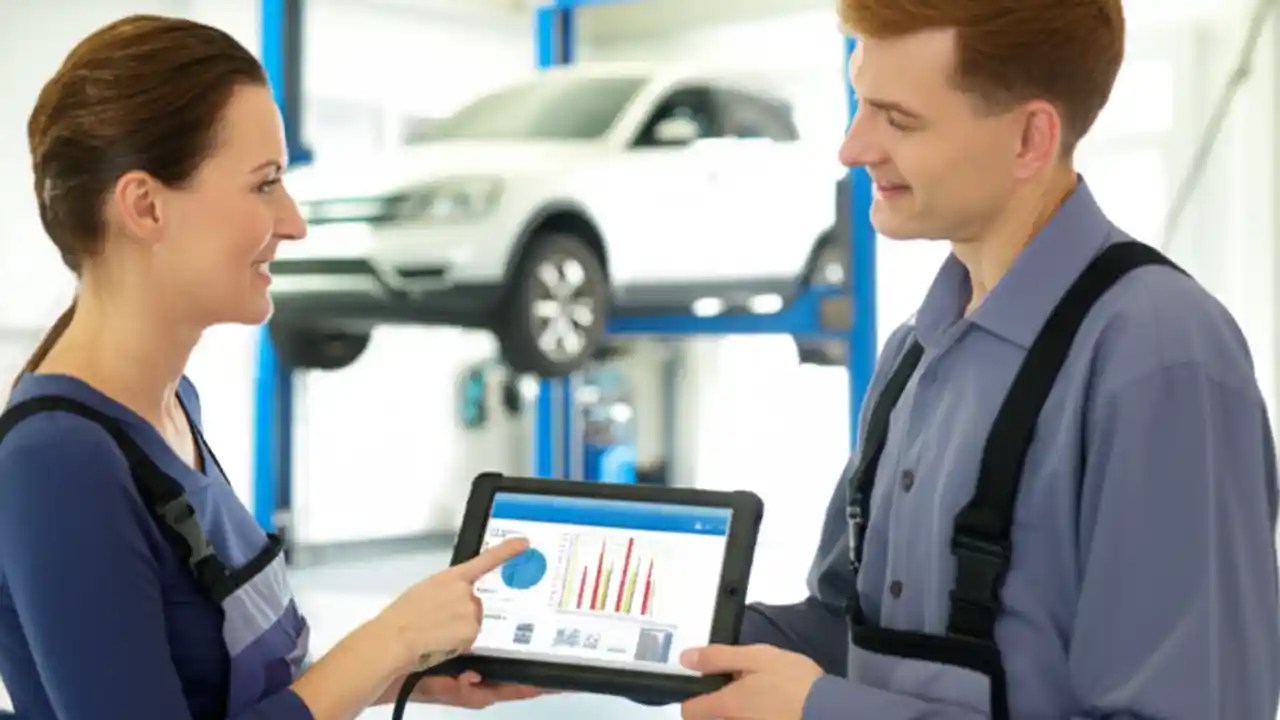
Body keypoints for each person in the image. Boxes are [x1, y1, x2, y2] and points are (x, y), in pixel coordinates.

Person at [677, 1, 1280, 719]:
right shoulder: (915, 352)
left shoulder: (1158, 357)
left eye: (898, 119)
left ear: (1030, 138)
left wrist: (821, 713)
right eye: (860, 102)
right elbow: (844, 637)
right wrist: (611, 642)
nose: (853, 147)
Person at [0, 15, 544, 720]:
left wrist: (404, 671)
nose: (293, 222)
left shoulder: (172, 407)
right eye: (265, 184)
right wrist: (389, 639)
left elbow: (214, 693)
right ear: (146, 206)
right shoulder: (59, 462)